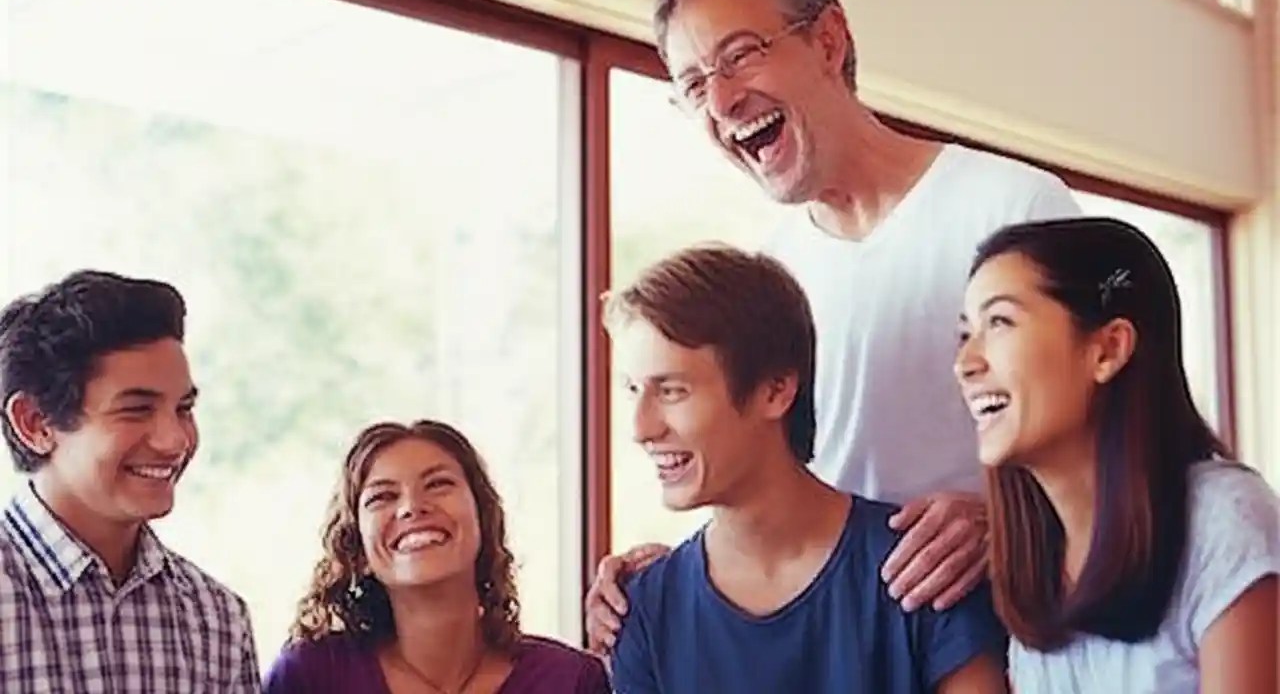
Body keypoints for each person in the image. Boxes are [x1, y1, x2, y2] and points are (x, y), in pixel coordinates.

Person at [587, 0, 1084, 650]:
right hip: (847, 646)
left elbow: (1124, 456)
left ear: (828, 39)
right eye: (695, 84)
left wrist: (1005, 525)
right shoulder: (770, 275)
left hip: (1003, 639)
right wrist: (677, 575)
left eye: (739, 55)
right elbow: (778, 487)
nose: (723, 100)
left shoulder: (1012, 210)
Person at [606, 244, 1008, 693]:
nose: (640, 428)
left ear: (775, 391)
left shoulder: (926, 570)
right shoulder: (645, 609)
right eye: (632, 389)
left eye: (672, 391)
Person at [955, 217, 1279, 693]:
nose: (966, 363)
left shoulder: (1223, 518)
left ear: (1108, 350)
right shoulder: (1034, 558)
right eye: (965, 334)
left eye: (999, 322)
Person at [0, 270, 260, 693]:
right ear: (35, 423)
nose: (175, 440)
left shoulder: (217, 620)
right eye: (137, 410)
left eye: (184, 408)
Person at [263, 419, 609, 694]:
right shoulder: (311, 678)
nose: (412, 507)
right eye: (382, 496)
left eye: (438, 484)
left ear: (483, 519)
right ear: (358, 550)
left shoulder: (570, 681)